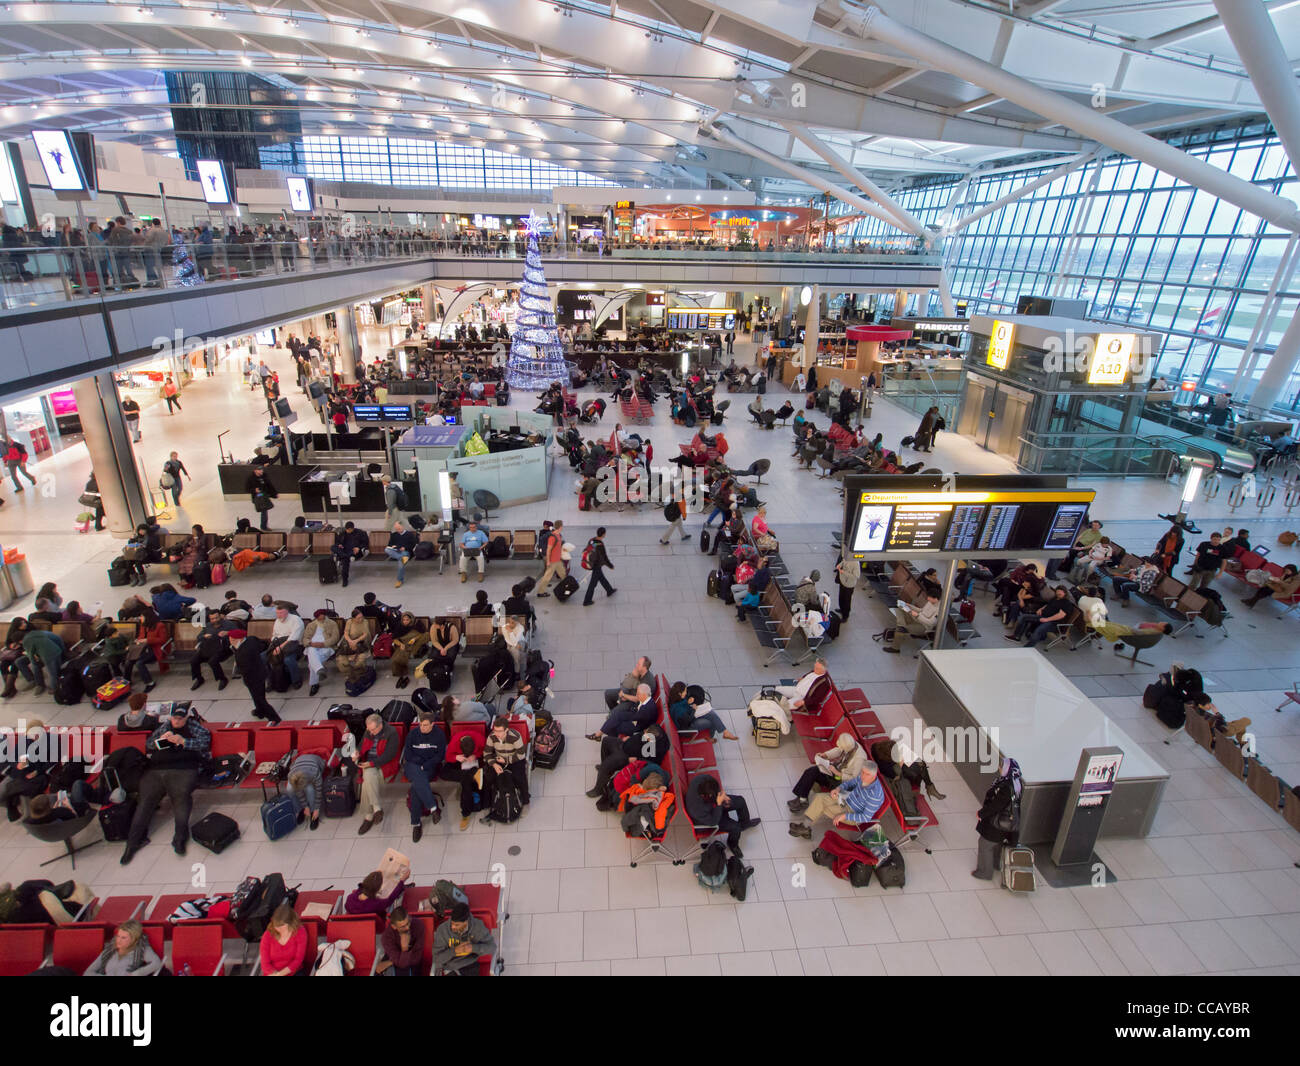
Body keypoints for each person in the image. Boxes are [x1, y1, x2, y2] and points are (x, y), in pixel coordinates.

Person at [120, 705, 212, 864]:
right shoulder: (165, 727)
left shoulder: (194, 727)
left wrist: (184, 741)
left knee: (181, 798)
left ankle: (180, 837)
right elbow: (148, 745)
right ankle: (132, 843)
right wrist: (160, 742)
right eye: (174, 718)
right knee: (145, 802)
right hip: (156, 770)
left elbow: (205, 742)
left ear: (186, 718)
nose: (176, 721)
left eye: (180, 719)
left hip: (183, 769)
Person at [787, 732, 870, 820]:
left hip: (842, 783)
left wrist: (837, 773)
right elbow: (838, 750)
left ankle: (802, 801)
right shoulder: (851, 744)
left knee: (816, 773)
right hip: (834, 771)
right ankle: (802, 798)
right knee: (811, 771)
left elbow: (854, 778)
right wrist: (825, 755)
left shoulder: (860, 759)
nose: (841, 749)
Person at [586, 722, 670, 799]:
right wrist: (630, 738)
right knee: (606, 740)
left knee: (607, 765)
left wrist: (636, 759)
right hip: (624, 744)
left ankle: (598, 789)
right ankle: (603, 768)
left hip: (629, 757)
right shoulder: (654, 729)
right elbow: (642, 733)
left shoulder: (658, 749)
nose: (644, 735)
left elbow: (651, 763)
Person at [685, 773, 760, 856]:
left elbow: (713, 785)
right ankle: (733, 844)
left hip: (714, 803)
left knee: (740, 800)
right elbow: (713, 821)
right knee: (736, 827)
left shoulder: (701, 779)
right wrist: (719, 804)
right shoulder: (696, 808)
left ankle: (745, 823)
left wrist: (722, 795)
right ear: (706, 796)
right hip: (708, 818)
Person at [972, 757, 1022, 880]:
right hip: (1007, 823)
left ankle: (985, 872)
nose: (999, 768)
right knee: (997, 843)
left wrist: (981, 813)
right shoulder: (1016, 783)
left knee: (985, 844)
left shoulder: (1006, 787)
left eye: (1001, 766)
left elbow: (996, 805)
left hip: (997, 823)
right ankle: (995, 865)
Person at [403, 712, 446, 841]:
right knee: (418, 777)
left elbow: (439, 756)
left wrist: (425, 764)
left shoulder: (439, 736)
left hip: (428, 767)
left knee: (416, 787)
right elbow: (407, 754)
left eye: (426, 725)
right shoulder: (413, 734)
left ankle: (416, 823)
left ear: (433, 724)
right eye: (421, 724)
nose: (422, 727)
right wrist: (420, 762)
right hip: (412, 766)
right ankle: (433, 807)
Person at [356, 712, 401, 834]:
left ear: (380, 725)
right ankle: (376, 809)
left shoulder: (391, 733)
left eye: (372, 730)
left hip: (385, 766)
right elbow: (361, 746)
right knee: (368, 775)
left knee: (367, 779)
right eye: (368, 729)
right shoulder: (369, 731)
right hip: (370, 765)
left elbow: (389, 755)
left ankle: (369, 816)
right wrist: (357, 753)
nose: (370, 732)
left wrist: (371, 764)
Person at [481, 714, 529, 823]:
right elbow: (487, 753)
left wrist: (506, 761)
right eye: (495, 730)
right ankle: (488, 804)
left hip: (514, 760)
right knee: (488, 779)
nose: (496, 734)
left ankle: (526, 801)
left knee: (519, 777)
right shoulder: (491, 736)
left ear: (506, 730)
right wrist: (494, 764)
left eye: (499, 731)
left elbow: (521, 755)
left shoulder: (515, 736)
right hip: (499, 760)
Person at [228, 629, 282, 723]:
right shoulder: (251, 639)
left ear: (240, 639)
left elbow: (243, 669)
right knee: (257, 695)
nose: (231, 642)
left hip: (253, 678)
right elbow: (263, 644)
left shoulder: (243, 653)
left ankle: (274, 718)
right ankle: (259, 711)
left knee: (259, 698)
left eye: (232, 640)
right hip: (261, 672)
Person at [432, 901, 496, 976]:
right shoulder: (443, 930)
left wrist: (473, 948)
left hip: (470, 965)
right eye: (452, 923)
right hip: (450, 967)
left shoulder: (478, 928)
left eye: (457, 925)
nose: (453, 927)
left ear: (466, 923)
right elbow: (437, 957)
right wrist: (454, 951)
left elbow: (492, 947)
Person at [84, 919, 163, 976]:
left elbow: (156, 963)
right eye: (118, 936)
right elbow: (88, 973)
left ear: (133, 939)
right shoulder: (109, 951)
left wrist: (135, 974)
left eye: (123, 938)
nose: (118, 940)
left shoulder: (141, 949)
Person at [0, 879, 94, 927]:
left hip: (43, 925)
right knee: (81, 888)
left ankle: (53, 891)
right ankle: (54, 891)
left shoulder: (10, 922)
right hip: (75, 915)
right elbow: (48, 883)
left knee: (29, 887)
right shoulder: (25, 891)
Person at [665, 680, 737, 740]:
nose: (686, 693)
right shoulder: (679, 711)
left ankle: (725, 732)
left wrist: (687, 702)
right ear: (680, 693)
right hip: (687, 728)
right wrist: (694, 709)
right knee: (712, 722)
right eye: (685, 691)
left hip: (688, 716)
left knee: (711, 713)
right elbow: (688, 720)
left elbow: (681, 705)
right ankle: (710, 737)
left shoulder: (675, 699)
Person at [258, 904, 309, 976]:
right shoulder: (267, 935)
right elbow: (265, 963)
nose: (279, 929)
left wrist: (280, 974)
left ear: (291, 922)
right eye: (276, 926)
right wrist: (275, 974)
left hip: (293, 971)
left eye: (282, 926)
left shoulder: (300, 932)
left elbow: (298, 960)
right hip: (272, 973)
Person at [378, 907, 424, 976]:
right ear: (394, 926)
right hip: (397, 964)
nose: (408, 927)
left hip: (412, 966)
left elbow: (416, 958)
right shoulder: (386, 937)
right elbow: (401, 963)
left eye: (408, 923)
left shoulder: (418, 925)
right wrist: (404, 949)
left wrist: (390, 962)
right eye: (403, 926)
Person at [302, 609, 339, 696]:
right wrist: (310, 643)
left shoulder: (332, 624)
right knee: (311, 650)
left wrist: (323, 644)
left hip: (326, 647)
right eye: (319, 618)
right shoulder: (311, 625)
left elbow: (335, 637)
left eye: (322, 618)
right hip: (312, 647)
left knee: (312, 664)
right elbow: (305, 638)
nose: (321, 620)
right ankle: (319, 669)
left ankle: (315, 683)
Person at [268, 605, 305, 690]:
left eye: (281, 613)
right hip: (279, 644)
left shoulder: (296, 620)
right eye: (277, 613)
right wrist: (274, 646)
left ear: (287, 612)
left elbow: (293, 637)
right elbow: (274, 635)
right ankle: (271, 681)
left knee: (288, 660)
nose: (279, 615)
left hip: (294, 646)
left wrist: (280, 648)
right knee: (263, 658)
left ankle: (296, 680)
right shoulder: (277, 620)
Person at [345, 868, 409, 916]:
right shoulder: (376, 904)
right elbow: (390, 899)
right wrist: (401, 881)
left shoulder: (350, 898)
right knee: (397, 893)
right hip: (378, 924)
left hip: (360, 924)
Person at [20, 627, 65, 697]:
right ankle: (62, 684)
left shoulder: (26, 641)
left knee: (52, 673)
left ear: (20, 640)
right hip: (57, 650)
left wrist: (34, 663)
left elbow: (30, 654)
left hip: (48, 655)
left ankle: (54, 689)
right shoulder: (37, 633)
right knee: (58, 670)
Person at [287, 751, 326, 830]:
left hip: (316, 762)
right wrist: (305, 806)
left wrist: (317, 809)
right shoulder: (291, 775)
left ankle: (313, 814)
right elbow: (298, 790)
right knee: (289, 789)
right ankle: (300, 809)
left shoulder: (314, 772)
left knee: (310, 789)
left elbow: (319, 790)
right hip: (300, 762)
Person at [335, 608, 372, 687]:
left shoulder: (365, 622)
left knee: (359, 662)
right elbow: (346, 633)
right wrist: (350, 641)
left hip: (362, 643)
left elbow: (365, 634)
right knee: (341, 662)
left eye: (361, 617)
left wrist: (355, 642)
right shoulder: (349, 622)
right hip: (350, 643)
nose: (361, 619)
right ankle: (351, 675)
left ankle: (359, 676)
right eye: (358, 618)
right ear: (353, 618)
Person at [581, 526, 616, 606]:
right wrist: (610, 566)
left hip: (592, 563)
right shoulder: (600, 544)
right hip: (596, 565)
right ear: (603, 534)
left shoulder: (592, 540)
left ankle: (609, 590)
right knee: (593, 583)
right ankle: (587, 600)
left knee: (601, 577)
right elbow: (604, 557)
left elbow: (587, 549)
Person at [333, 521, 369, 588]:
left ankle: (345, 580)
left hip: (354, 551)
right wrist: (339, 544)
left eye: (349, 530)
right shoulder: (343, 533)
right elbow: (337, 542)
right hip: (344, 550)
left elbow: (365, 543)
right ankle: (344, 555)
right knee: (333, 547)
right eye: (346, 529)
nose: (347, 531)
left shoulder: (360, 533)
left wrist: (359, 547)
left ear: (352, 528)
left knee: (345, 561)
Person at [246, 462, 278, 531]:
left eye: (262, 470)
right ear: (255, 471)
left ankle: (264, 525)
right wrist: (254, 490)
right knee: (264, 511)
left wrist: (275, 493)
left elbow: (269, 485)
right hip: (257, 497)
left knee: (264, 511)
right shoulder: (251, 478)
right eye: (259, 470)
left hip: (264, 495)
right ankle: (264, 526)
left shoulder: (264, 476)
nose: (261, 471)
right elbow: (247, 489)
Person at [386, 521, 417, 589]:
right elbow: (389, 545)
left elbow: (413, 545)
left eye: (399, 528)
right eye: (396, 529)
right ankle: (401, 558)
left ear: (403, 526)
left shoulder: (410, 534)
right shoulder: (394, 535)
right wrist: (393, 546)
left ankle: (399, 580)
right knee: (387, 549)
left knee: (400, 565)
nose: (398, 530)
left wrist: (405, 548)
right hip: (396, 551)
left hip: (406, 552)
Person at [458, 519, 488, 584]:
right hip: (467, 550)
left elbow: (486, 542)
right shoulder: (466, 534)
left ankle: (480, 574)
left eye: (474, 527)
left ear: (476, 527)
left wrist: (481, 547)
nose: (472, 528)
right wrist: (464, 547)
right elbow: (461, 544)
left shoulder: (481, 533)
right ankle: (463, 574)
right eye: (471, 527)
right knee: (462, 558)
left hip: (477, 549)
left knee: (481, 558)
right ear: (469, 527)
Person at [834, 556, 860, 622]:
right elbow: (843, 562)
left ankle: (845, 615)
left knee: (847, 600)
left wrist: (843, 572)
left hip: (849, 585)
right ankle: (841, 609)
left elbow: (856, 576)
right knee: (841, 597)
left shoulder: (856, 563)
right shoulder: (847, 557)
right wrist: (839, 565)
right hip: (842, 581)